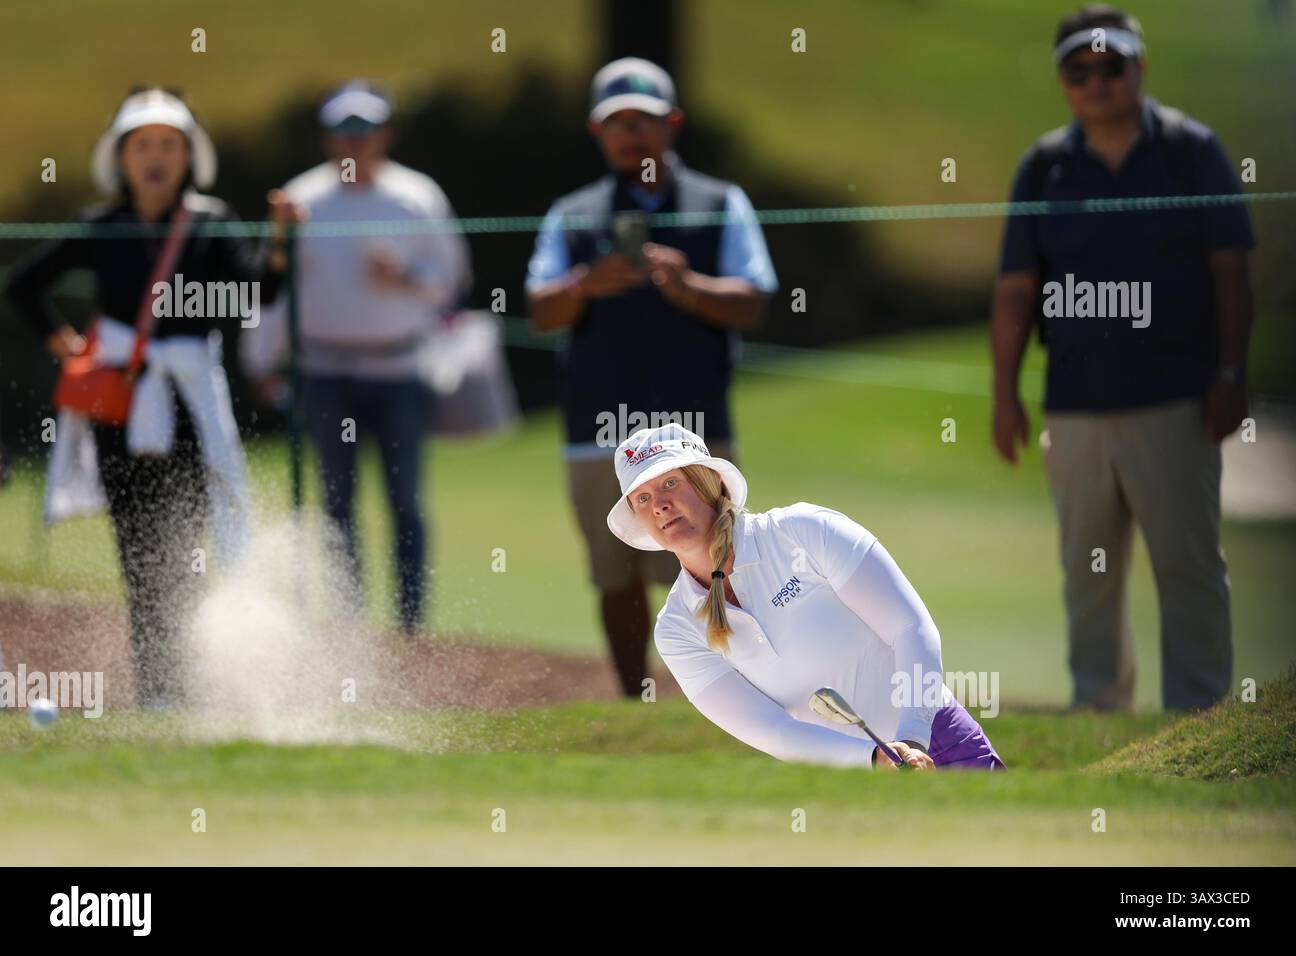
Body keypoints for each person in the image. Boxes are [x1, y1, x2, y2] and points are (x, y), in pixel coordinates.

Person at [991, 6, 1254, 711]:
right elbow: (1017, 291)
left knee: (1189, 567)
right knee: (1088, 570)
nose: (1097, 82)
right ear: (1063, 80)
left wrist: (1232, 375)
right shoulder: (1044, 166)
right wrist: (1004, 395)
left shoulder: (1191, 150)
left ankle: (1199, 717)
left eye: (1111, 67)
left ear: (1139, 67)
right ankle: (1098, 713)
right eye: (1081, 71)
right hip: (1075, 405)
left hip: (1176, 398)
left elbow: (1231, 268)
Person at [4, 87, 296, 708]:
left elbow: (258, 296)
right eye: (143, 146)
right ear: (121, 156)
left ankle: (195, 683)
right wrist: (65, 341)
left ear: (190, 156)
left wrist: (277, 244)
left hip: (189, 405)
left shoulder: (211, 224)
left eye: (169, 144)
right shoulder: (102, 226)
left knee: (188, 545)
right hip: (122, 405)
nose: (156, 157)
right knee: (139, 548)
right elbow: (24, 283)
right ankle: (161, 692)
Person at [527, 58, 778, 697]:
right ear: (597, 131)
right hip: (597, 428)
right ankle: (633, 699)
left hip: (699, 429)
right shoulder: (571, 213)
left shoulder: (720, 202)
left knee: (715, 567)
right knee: (617, 574)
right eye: (618, 124)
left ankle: (734, 701)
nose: (630, 134)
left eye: (643, 121)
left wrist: (690, 289)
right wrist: (588, 284)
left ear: (672, 124)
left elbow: (755, 298)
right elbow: (540, 311)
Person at [608, 424, 1006, 771]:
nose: (659, 504)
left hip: (939, 741)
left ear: (707, 483)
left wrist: (913, 739)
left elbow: (910, 628)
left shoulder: (804, 530)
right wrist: (874, 760)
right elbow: (773, 732)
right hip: (847, 780)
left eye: (670, 483)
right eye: (642, 499)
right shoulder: (677, 629)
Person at [242, 80, 472, 635]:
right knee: (336, 502)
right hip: (325, 371)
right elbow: (275, 288)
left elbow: (453, 282)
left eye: (364, 134)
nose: (354, 145)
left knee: (405, 500)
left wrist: (405, 276)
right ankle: (348, 623)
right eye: (344, 135)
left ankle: (410, 624)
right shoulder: (303, 200)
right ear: (328, 140)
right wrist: (259, 361)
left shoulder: (417, 197)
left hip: (399, 371)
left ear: (384, 136)